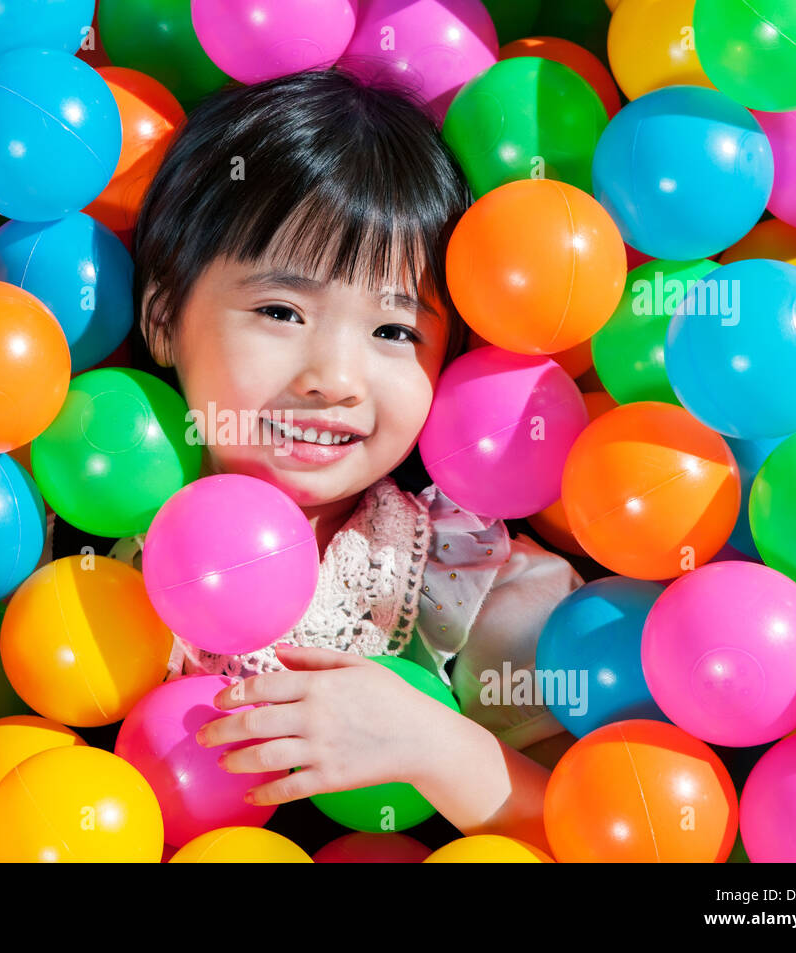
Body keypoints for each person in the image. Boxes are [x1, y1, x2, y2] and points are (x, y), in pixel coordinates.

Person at [46, 65, 588, 852]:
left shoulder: (474, 585)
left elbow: (598, 831)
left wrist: (436, 744)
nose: (333, 379)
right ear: (163, 320)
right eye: (280, 310)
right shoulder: (72, 544)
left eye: (395, 331)